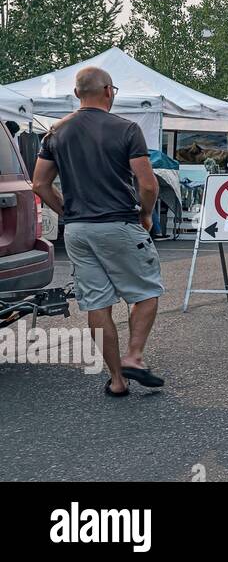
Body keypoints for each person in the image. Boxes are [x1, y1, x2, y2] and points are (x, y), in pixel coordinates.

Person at [31, 67, 165, 397]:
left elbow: (39, 183)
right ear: (109, 91)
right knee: (146, 293)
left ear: (77, 94)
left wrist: (68, 212)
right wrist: (145, 215)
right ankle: (134, 356)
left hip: (78, 231)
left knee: (97, 304)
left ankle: (117, 380)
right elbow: (147, 184)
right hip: (118, 223)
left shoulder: (55, 133)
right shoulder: (127, 129)